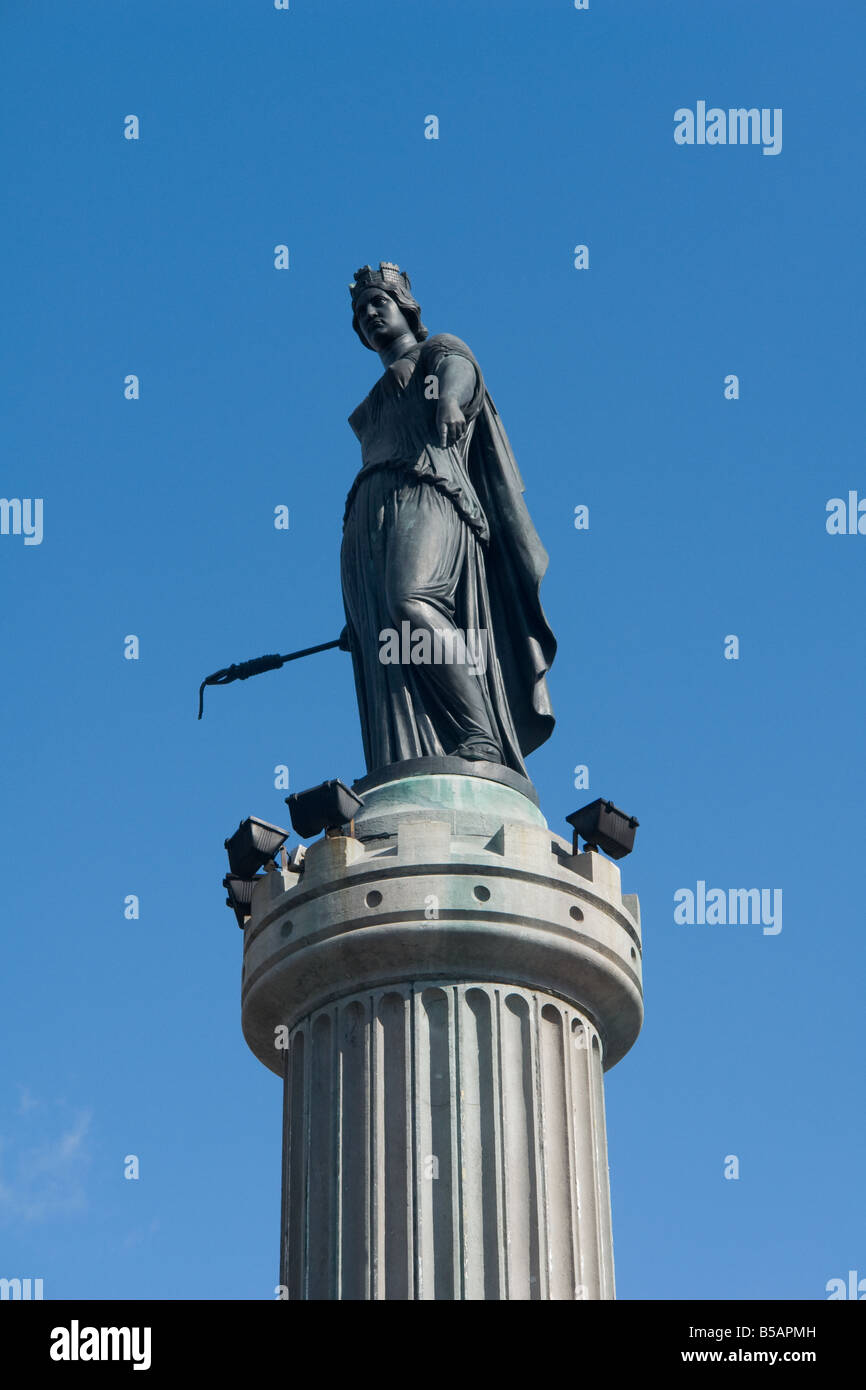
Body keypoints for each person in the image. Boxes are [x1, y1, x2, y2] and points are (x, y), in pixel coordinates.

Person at [340, 262, 555, 780]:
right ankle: (412, 760)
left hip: (431, 489)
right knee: (385, 646)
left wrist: (452, 402)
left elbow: (462, 371)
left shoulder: (437, 350)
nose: (369, 314)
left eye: (379, 302)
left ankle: (479, 734)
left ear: (406, 306)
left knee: (411, 602)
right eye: (360, 310)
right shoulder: (370, 404)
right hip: (368, 523)